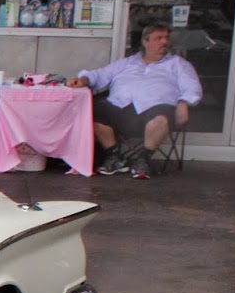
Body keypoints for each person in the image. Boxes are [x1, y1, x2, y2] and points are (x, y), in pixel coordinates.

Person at [68, 20, 201, 179]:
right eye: (159, 38)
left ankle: (143, 159)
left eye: (166, 38)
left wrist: (184, 102)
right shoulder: (126, 63)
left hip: (155, 107)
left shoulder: (178, 64)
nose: (165, 42)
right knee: (90, 112)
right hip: (120, 106)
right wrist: (83, 80)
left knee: (161, 119)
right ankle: (114, 155)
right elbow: (99, 75)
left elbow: (192, 87)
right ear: (146, 41)